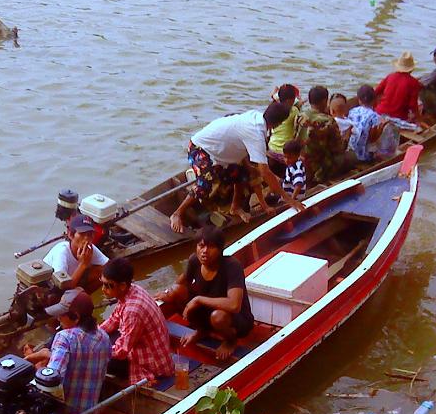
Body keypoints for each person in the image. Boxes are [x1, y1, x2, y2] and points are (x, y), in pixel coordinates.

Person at [170, 102, 300, 232]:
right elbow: (265, 173)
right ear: (278, 124)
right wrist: (289, 200)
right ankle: (177, 213)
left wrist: (248, 166)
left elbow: (240, 144)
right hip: (199, 148)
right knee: (205, 183)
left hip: (218, 152)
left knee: (242, 174)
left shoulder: (256, 117)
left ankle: (235, 207)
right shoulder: (256, 132)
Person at [23, 290, 111, 414]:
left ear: (76, 317)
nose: (58, 318)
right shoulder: (104, 337)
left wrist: (39, 362)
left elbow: (50, 382)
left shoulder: (65, 337)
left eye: (62, 315)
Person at [157, 225, 254, 362]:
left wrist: (198, 300)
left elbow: (234, 305)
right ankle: (202, 331)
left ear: (220, 250)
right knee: (177, 291)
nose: (204, 251)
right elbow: (182, 281)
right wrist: (168, 293)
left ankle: (230, 341)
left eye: (211, 247)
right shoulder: (194, 261)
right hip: (207, 315)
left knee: (218, 317)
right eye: (201, 246)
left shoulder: (232, 266)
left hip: (236, 320)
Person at [98, 257, 174, 384]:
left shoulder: (132, 311)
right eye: (102, 283)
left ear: (122, 286)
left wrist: (93, 350)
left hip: (153, 364)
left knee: (99, 358)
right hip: (148, 348)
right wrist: (95, 333)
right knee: (103, 338)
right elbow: (114, 319)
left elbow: (121, 351)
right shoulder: (132, 289)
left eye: (108, 285)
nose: (103, 289)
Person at [42, 214, 108, 292]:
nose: (86, 238)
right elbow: (63, 287)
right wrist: (83, 264)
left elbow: (108, 266)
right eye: (82, 234)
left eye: (89, 234)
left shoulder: (90, 248)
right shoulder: (61, 252)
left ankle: (87, 295)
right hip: (54, 288)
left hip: (73, 280)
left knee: (102, 272)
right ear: (70, 235)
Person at [295, 85, 347, 183]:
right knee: (350, 157)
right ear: (324, 101)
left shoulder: (300, 116)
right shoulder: (328, 121)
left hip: (302, 162)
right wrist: (347, 137)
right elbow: (338, 149)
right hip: (320, 168)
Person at [347, 85, 393, 165]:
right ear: (374, 100)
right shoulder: (374, 116)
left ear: (359, 100)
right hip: (364, 156)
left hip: (351, 150)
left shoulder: (352, 111)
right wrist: (382, 126)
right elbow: (372, 138)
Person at [374, 52, 421, 122]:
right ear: (411, 69)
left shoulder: (390, 76)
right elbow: (413, 105)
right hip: (398, 118)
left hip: (379, 113)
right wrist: (418, 119)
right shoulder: (414, 82)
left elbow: (376, 91)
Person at [267, 84, 302, 162]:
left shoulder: (273, 107)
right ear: (291, 100)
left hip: (271, 148)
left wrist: (273, 95)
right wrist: (300, 103)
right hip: (284, 152)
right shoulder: (294, 111)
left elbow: (276, 98)